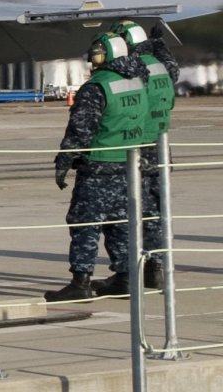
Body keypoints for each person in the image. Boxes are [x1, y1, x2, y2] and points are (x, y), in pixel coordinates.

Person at [48, 31, 152, 300]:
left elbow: (80, 129)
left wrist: (64, 160)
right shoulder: (139, 80)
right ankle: (126, 279)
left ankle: (81, 283)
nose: (94, 57)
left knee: (85, 223)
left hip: (99, 167)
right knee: (122, 224)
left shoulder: (97, 86)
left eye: (97, 53)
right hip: (130, 165)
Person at [119, 19, 179, 289]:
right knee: (157, 211)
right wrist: (159, 45)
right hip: (160, 146)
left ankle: (129, 271)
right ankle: (157, 266)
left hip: (138, 146)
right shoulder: (161, 66)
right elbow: (173, 68)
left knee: (132, 210)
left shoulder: (133, 68)